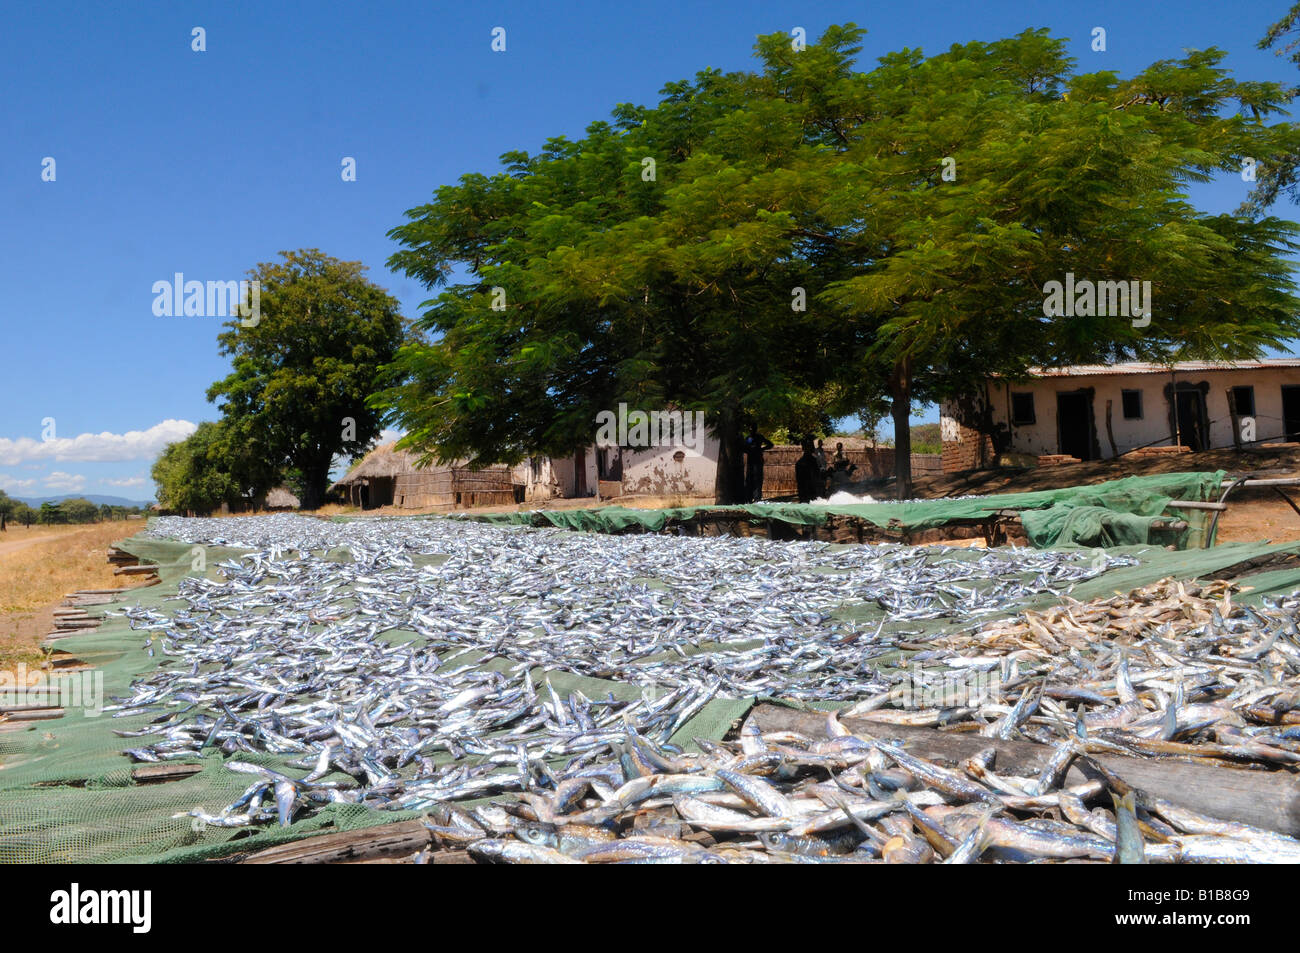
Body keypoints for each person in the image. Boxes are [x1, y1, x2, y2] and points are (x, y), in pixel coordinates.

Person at [743, 425, 774, 503]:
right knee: (749, 479)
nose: (751, 431)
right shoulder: (748, 438)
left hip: (758, 461)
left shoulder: (759, 437)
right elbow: (743, 448)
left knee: (758, 479)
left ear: (755, 429)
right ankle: (748, 498)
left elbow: (770, 444)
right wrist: (749, 451)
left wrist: (761, 449)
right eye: (750, 429)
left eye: (753, 429)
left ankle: (757, 498)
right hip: (750, 462)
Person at [795, 438, 824, 503]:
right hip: (808, 495)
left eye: (812, 446)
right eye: (810, 446)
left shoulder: (813, 461)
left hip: (811, 495)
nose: (812, 448)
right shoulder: (802, 463)